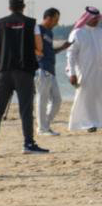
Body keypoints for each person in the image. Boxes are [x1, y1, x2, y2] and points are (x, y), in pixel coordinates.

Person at [0, 0, 49, 154]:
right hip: (24, 70)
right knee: (25, 109)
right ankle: (28, 144)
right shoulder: (32, 23)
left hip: (2, 70)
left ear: (9, 7)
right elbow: (39, 48)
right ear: (23, 7)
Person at [35, 8, 73, 136]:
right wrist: (37, 55)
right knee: (42, 99)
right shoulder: (38, 29)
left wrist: (62, 47)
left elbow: (50, 51)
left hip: (51, 70)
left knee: (57, 100)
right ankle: (42, 129)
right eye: (56, 20)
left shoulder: (49, 33)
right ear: (48, 18)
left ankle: (45, 125)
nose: (57, 23)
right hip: (41, 68)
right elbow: (30, 46)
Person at [66, 6, 102, 132]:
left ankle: (98, 121)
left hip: (100, 71)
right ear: (87, 18)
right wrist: (72, 73)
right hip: (84, 71)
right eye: (94, 18)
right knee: (85, 97)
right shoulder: (77, 33)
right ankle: (87, 123)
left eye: (98, 18)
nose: (96, 20)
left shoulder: (100, 32)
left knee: (99, 96)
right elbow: (70, 55)